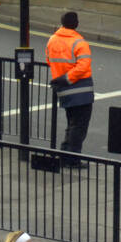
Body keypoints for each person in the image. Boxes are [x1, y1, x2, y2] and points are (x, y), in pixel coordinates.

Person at [46, 11, 94, 169]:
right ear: (76, 23)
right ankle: (71, 159)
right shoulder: (79, 42)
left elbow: (49, 60)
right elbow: (83, 66)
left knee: (72, 124)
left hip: (63, 90)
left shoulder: (52, 40)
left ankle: (64, 155)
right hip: (80, 89)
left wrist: (61, 77)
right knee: (79, 127)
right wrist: (68, 78)